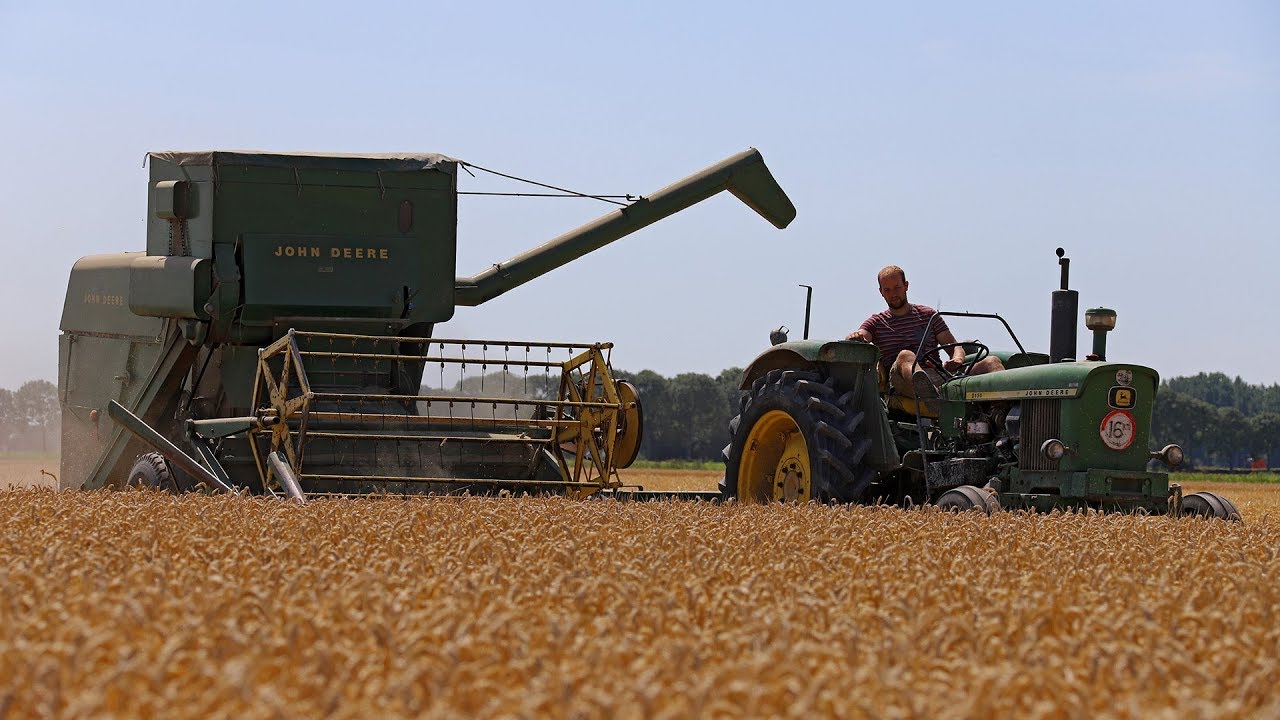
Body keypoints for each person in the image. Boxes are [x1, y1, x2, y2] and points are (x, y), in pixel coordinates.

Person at [846, 265, 1004, 401]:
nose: (893, 293)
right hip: (901, 382)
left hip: (939, 377)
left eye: (897, 287)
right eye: (887, 290)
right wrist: (855, 337)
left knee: (992, 362)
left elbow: (954, 346)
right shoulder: (876, 322)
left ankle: (1002, 414)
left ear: (906, 285)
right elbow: (861, 336)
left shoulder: (928, 315)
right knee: (905, 356)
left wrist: (957, 359)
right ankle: (931, 398)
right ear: (881, 292)